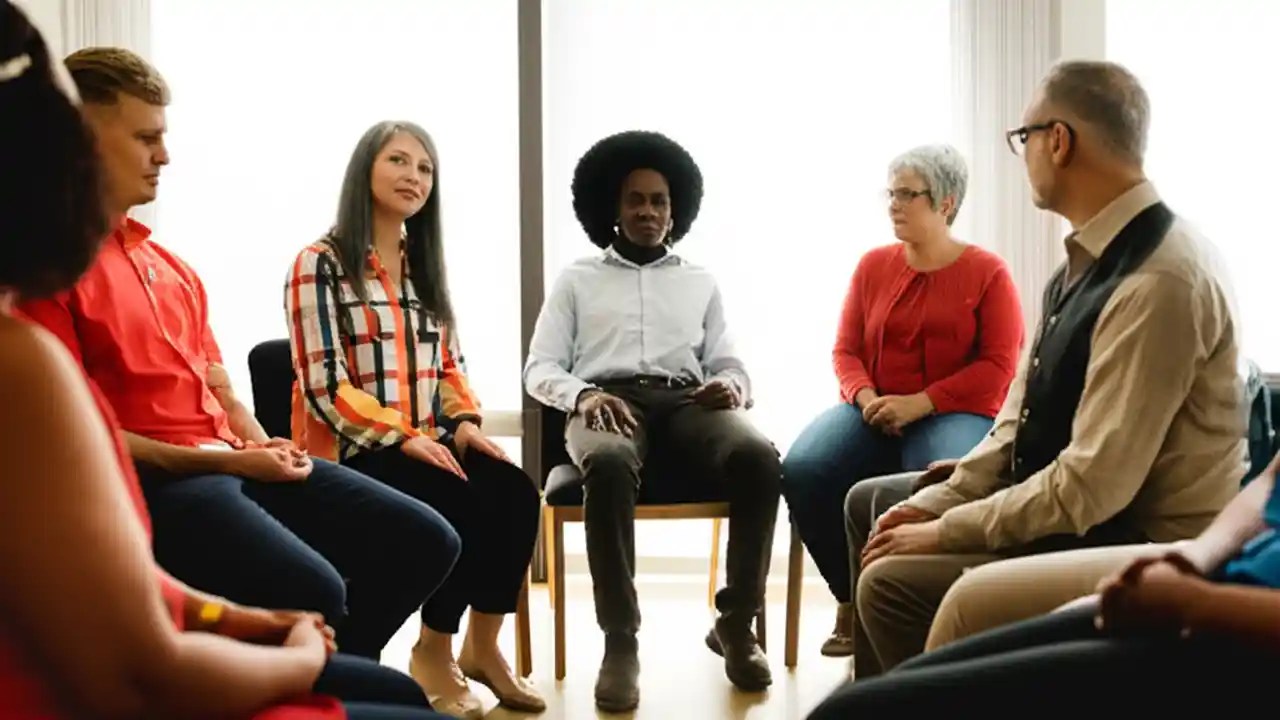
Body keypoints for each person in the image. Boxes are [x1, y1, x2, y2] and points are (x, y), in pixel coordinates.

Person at [0, 4, 445, 717]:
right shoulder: (38, 315)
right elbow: (100, 458)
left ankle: (328, 667)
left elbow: (216, 384)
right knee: (321, 592)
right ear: (73, 142)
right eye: (146, 138)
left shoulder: (173, 268)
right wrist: (234, 463)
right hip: (172, 478)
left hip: (228, 458)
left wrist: (250, 437)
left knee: (426, 539)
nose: (166, 156)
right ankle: (313, 672)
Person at [839, 59, 1246, 679]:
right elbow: (1011, 429)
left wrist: (948, 531)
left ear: (1058, 141)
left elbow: (1092, 486)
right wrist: (940, 503)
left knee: (892, 580)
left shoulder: (1161, 278)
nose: (1021, 153)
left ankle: (906, 699)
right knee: (873, 503)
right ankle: (887, 697)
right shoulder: (1081, 264)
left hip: (1139, 540)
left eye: (1023, 137)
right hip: (1087, 504)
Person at [285, 120, 543, 718]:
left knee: (513, 491)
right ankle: (434, 655)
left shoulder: (422, 265)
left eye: (425, 168)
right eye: (398, 161)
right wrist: (402, 437)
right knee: (458, 499)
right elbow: (325, 386)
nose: (414, 176)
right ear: (365, 172)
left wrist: (468, 422)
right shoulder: (317, 264)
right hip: (351, 451)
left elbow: (448, 365)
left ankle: (477, 649)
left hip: (423, 442)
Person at [524, 130, 782, 711]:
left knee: (759, 457)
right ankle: (621, 642)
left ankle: (737, 626)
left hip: (688, 403)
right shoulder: (577, 279)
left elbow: (732, 363)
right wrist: (584, 396)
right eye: (635, 200)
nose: (647, 211)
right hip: (608, 400)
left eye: (659, 201)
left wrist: (731, 385)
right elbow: (539, 367)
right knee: (610, 462)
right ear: (613, 209)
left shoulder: (701, 281)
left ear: (676, 209)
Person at [781, 143, 1023, 656]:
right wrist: (866, 397)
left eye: (907, 194)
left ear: (946, 203)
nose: (894, 204)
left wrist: (921, 403)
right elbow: (845, 350)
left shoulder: (989, 273)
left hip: (952, 410)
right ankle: (850, 600)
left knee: (931, 477)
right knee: (804, 468)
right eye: (890, 193)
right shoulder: (872, 265)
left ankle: (921, 617)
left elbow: (998, 369)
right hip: (870, 407)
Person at [807, 454, 1280, 716]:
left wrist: (1196, 604)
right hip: (1212, 585)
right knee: (860, 703)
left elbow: (1088, 482)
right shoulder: (1070, 290)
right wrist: (1192, 559)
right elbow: (1268, 482)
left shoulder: (1163, 286)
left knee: (853, 713)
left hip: (1239, 642)